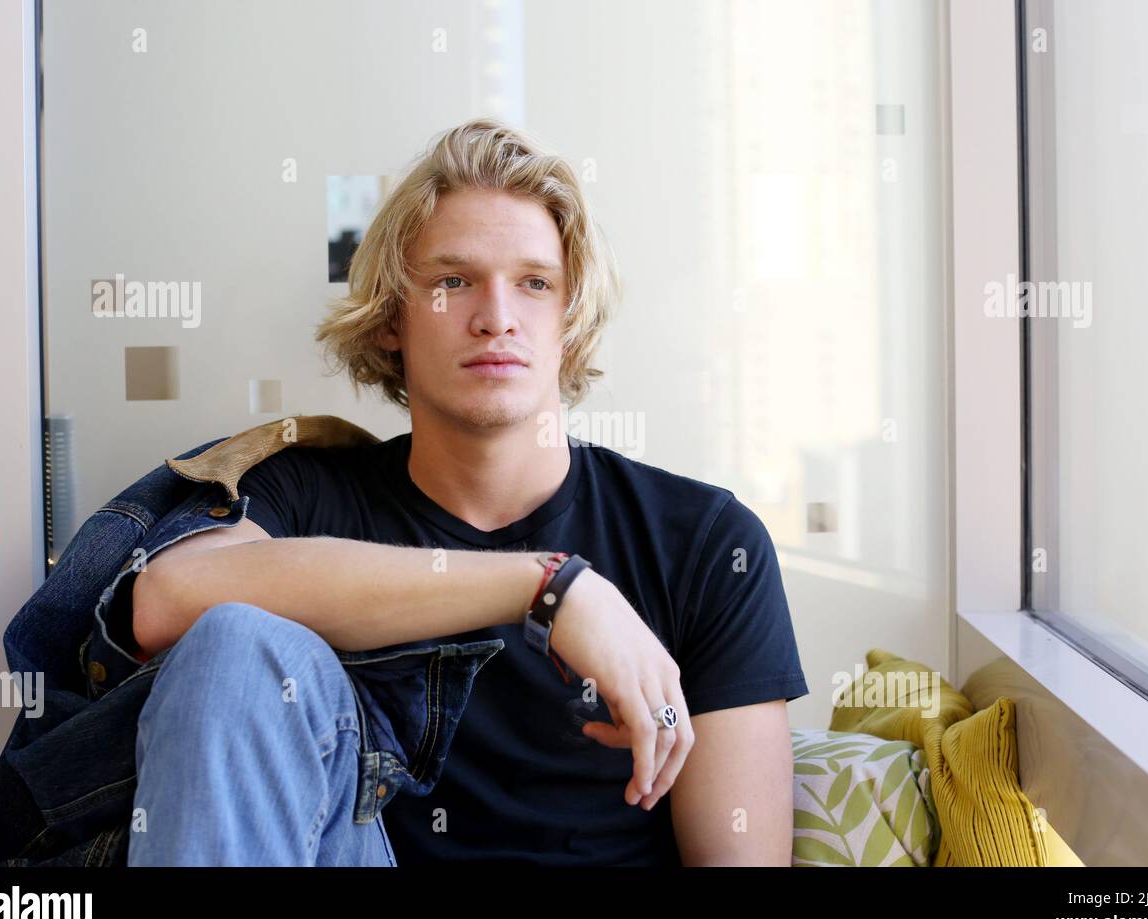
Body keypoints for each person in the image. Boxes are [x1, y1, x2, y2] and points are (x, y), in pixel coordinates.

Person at [127, 118, 808, 866]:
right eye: (453, 281)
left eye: (535, 284)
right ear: (392, 318)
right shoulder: (308, 495)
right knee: (235, 642)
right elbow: (164, 602)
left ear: (570, 324)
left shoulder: (706, 543)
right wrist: (547, 588)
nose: (496, 318)